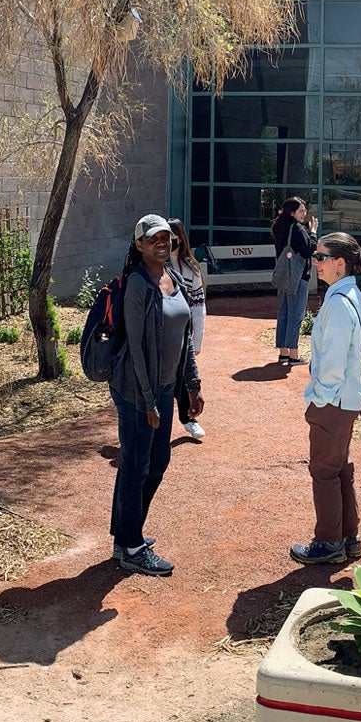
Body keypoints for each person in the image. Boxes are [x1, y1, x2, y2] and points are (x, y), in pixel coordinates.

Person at [107, 214, 192, 578]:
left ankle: (127, 535)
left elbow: (184, 336)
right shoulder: (139, 285)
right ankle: (130, 545)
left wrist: (193, 384)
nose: (163, 242)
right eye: (153, 238)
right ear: (139, 245)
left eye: (167, 237)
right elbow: (138, 349)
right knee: (138, 466)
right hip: (137, 392)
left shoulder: (170, 277)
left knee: (154, 464)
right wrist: (147, 400)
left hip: (164, 388)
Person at [292, 233, 361, 569]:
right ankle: (347, 538)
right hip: (347, 399)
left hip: (334, 401)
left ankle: (328, 543)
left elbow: (334, 362)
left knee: (324, 471)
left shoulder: (338, 302)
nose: (316, 261)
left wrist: (318, 399)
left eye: (321, 256)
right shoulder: (349, 294)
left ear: (340, 263)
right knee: (340, 469)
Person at [170, 218, 207, 443]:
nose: (167, 243)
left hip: (184, 334)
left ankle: (189, 419)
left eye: (172, 239)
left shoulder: (190, 268)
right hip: (161, 333)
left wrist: (198, 340)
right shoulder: (157, 264)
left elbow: (198, 305)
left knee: (185, 377)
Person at [272, 196, 316, 367]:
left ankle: (283, 352)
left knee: (283, 314)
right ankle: (294, 355)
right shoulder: (297, 228)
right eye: (301, 211)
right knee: (295, 316)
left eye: (304, 210)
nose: (304, 214)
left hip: (283, 278)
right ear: (292, 212)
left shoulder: (280, 227)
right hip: (297, 278)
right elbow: (308, 250)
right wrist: (313, 232)